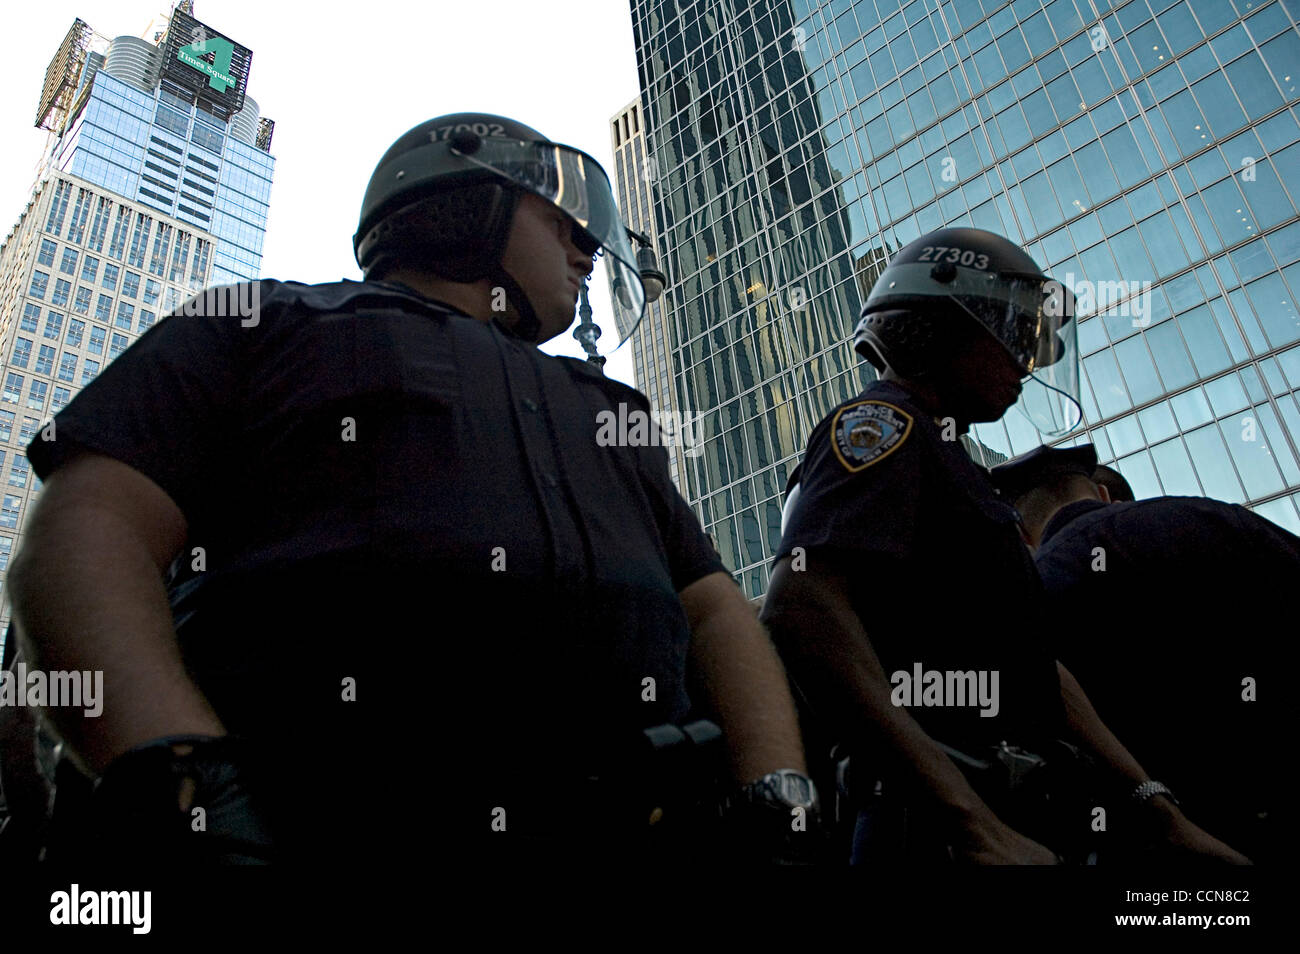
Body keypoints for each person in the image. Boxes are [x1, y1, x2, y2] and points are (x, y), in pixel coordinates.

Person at [9, 113, 815, 868]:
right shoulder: (263, 322)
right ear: (464, 202)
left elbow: (711, 606)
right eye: (562, 225)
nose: (585, 253)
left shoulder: (609, 407)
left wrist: (775, 787)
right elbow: (89, 528)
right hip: (311, 836)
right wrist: (181, 780)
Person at [760, 226, 1250, 864]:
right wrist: (974, 828)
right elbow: (801, 608)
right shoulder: (885, 426)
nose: (1025, 362)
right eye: (1014, 335)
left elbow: (1039, 672)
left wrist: (1162, 815)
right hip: (930, 831)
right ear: (942, 319)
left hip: (1019, 815)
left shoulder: (955, 469)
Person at [990, 442, 1297, 861]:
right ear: (1101, 493)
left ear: (1022, 532)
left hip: (1175, 831)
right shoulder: (1207, 515)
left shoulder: (1030, 593)